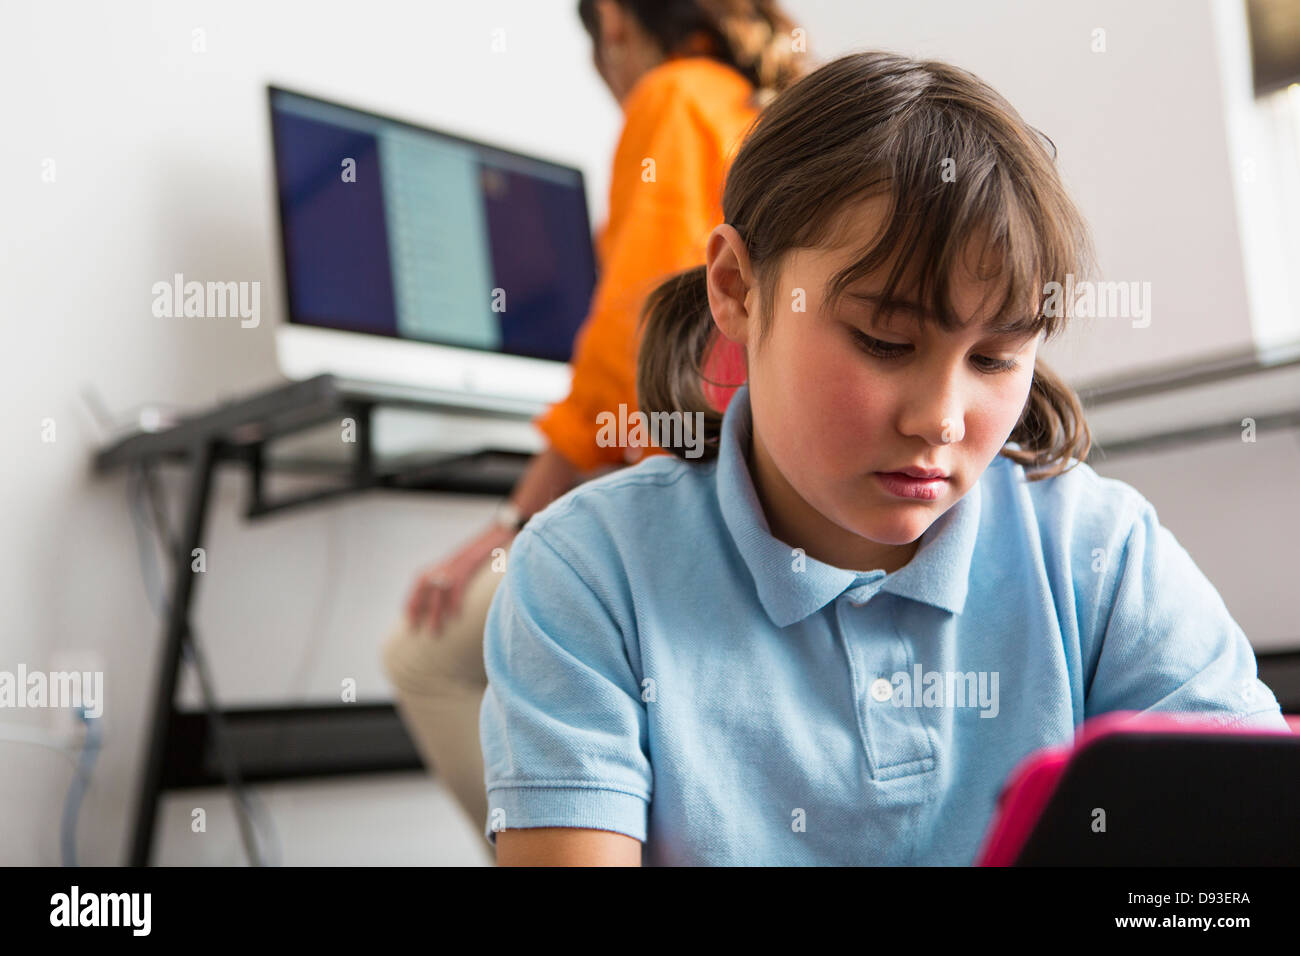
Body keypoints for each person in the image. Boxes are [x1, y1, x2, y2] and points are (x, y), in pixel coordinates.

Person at [480, 50, 1292, 866]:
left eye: (995, 358)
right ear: (736, 286)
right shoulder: (587, 573)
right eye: (883, 341)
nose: (939, 420)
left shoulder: (1103, 556)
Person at [383, 0, 807, 835]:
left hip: (698, 490)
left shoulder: (673, 95)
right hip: (763, 484)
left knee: (421, 656)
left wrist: (509, 519)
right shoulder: (753, 111)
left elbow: (630, 339)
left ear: (613, 20)